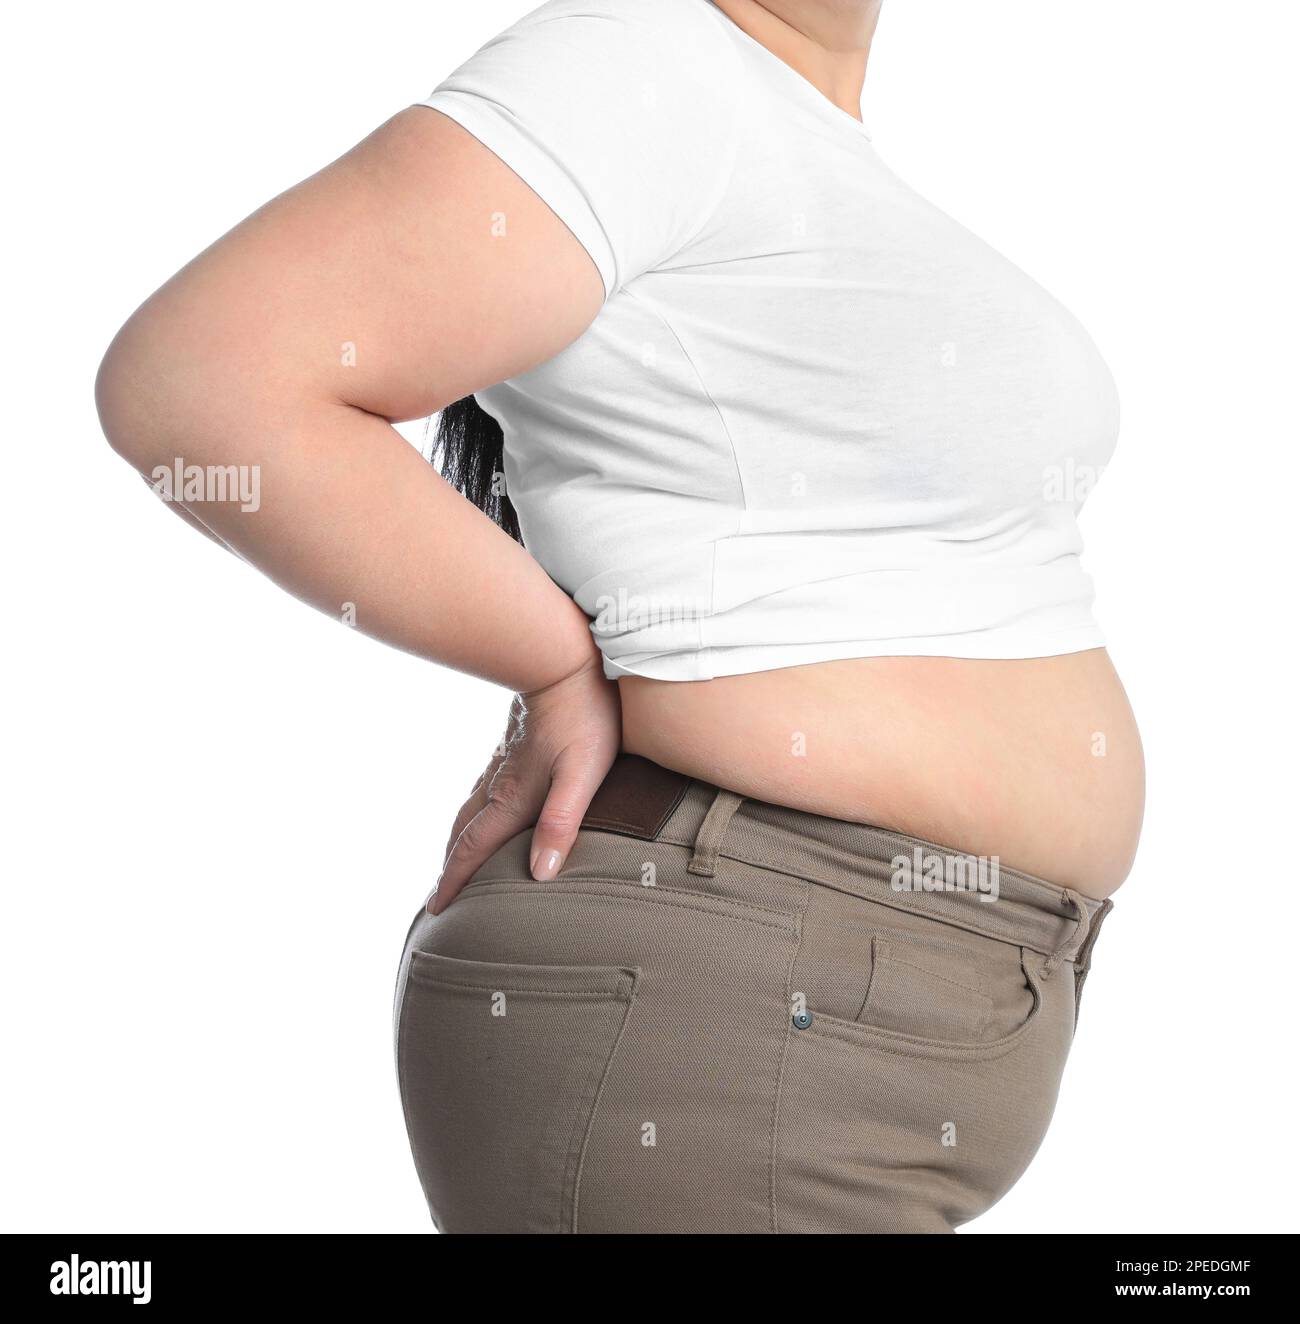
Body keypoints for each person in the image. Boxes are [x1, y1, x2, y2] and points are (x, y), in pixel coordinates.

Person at [96, 0, 1144, 1232]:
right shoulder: (640, 61)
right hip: (733, 1001)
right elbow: (199, 386)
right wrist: (552, 663)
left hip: (861, 1004)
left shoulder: (777, 124)